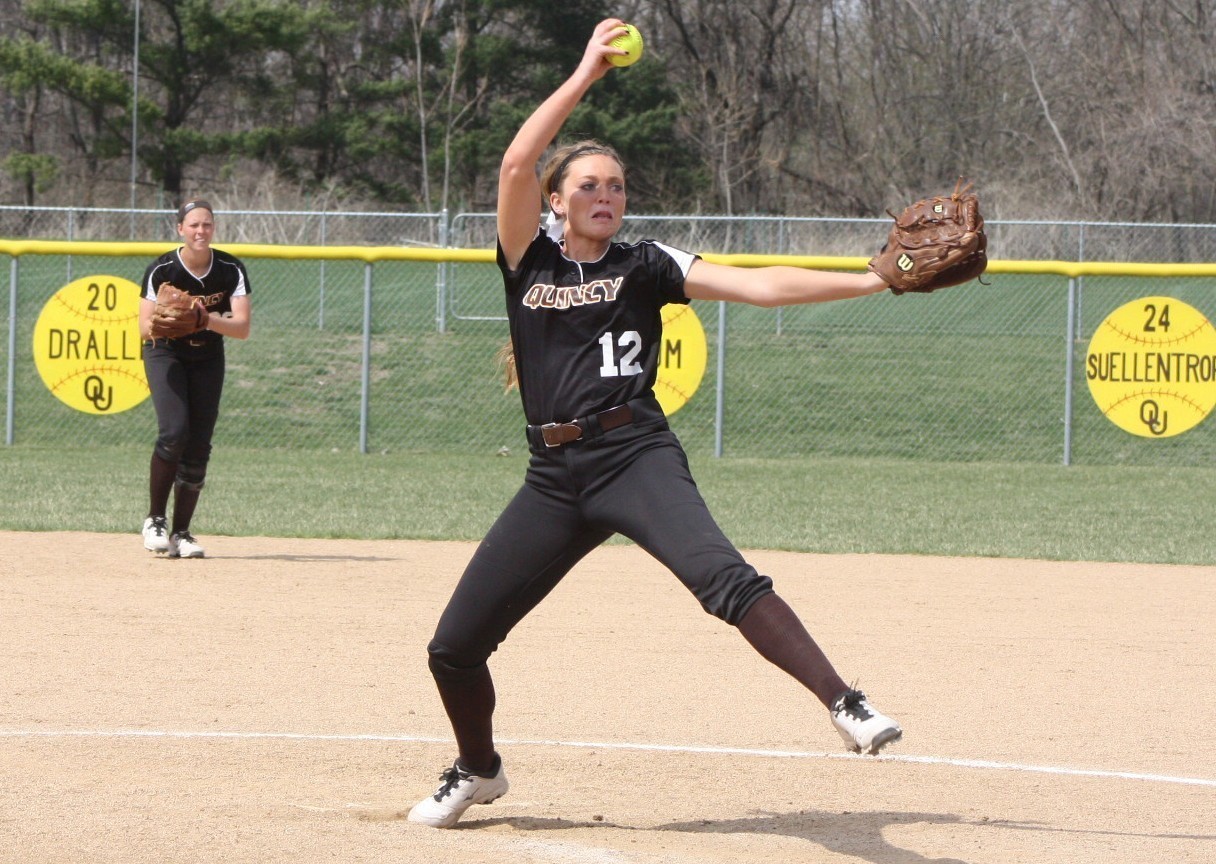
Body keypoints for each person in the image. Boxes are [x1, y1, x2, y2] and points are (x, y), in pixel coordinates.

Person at [408, 19, 901, 829]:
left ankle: (845, 703)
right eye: (591, 185)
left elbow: (762, 285)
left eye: (618, 185)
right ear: (558, 202)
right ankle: (478, 768)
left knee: (726, 579)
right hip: (552, 477)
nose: (608, 196)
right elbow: (515, 162)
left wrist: (871, 282)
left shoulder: (648, 264)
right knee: (453, 647)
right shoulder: (527, 261)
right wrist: (585, 74)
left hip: (635, 455)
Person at [138, 199, 252, 559]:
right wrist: (169, 321)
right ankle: (155, 519)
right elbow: (144, 327)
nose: (200, 231)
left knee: (199, 445)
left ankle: (181, 533)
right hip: (165, 351)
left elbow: (242, 328)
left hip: (207, 356)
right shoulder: (163, 269)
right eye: (193, 225)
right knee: (174, 432)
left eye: (207, 224)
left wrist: (204, 319)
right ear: (180, 230)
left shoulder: (230, 268)